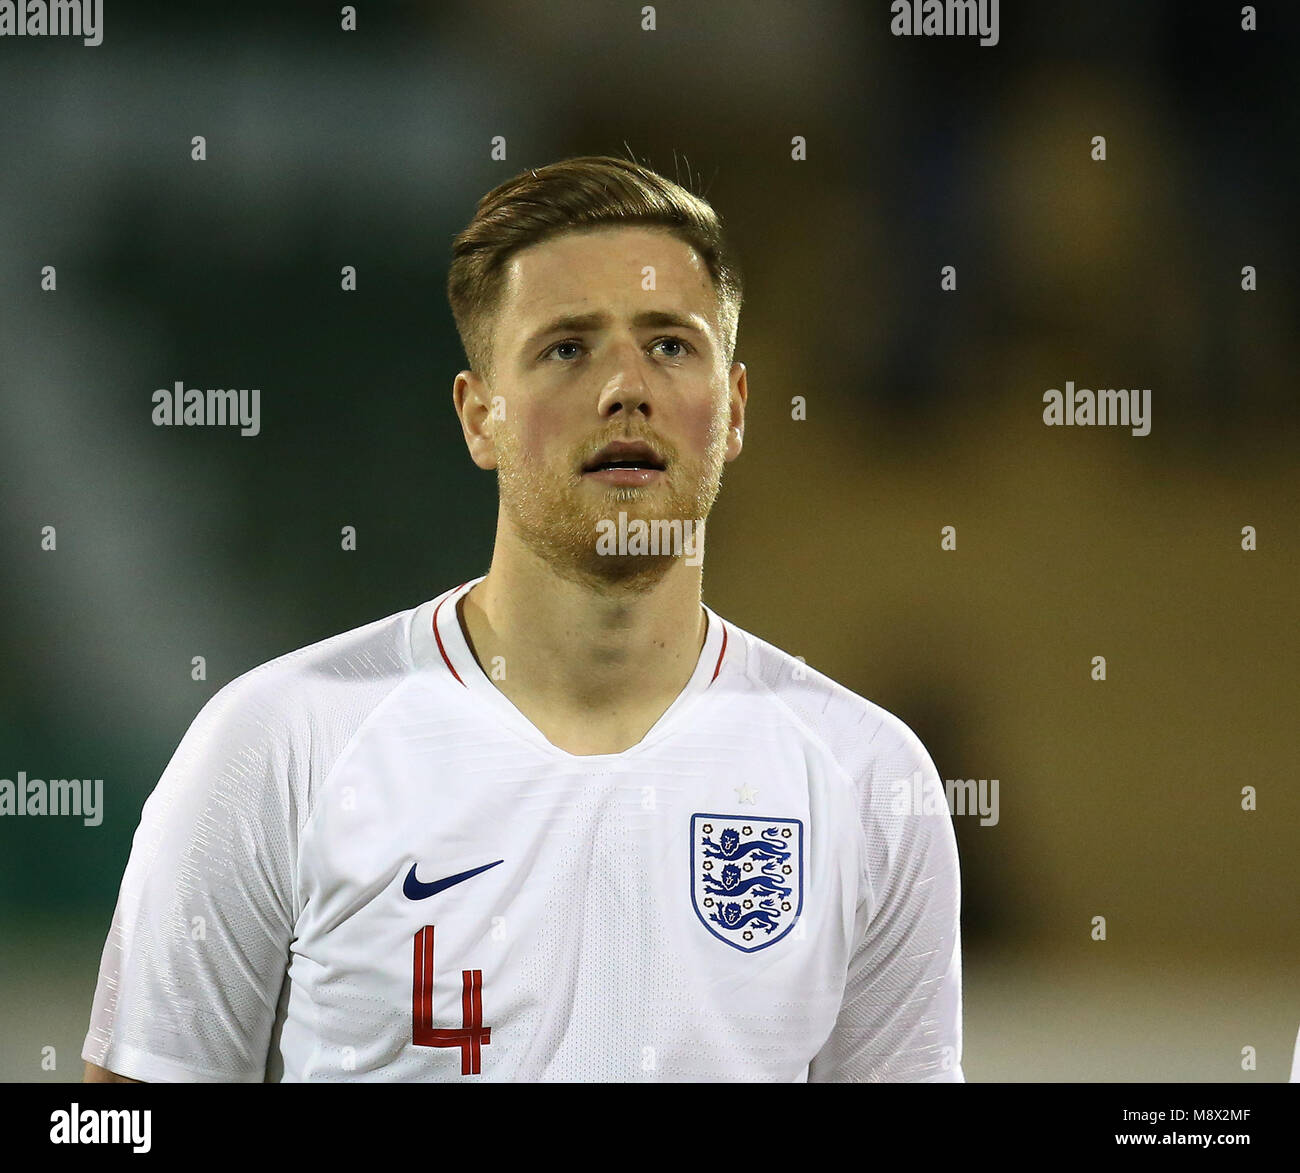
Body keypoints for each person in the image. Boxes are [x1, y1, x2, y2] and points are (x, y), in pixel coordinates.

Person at [82, 154, 964, 1082]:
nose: (626, 386)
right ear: (480, 419)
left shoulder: (867, 777)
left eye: (670, 344)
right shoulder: (279, 743)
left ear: (735, 409)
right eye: (567, 348)